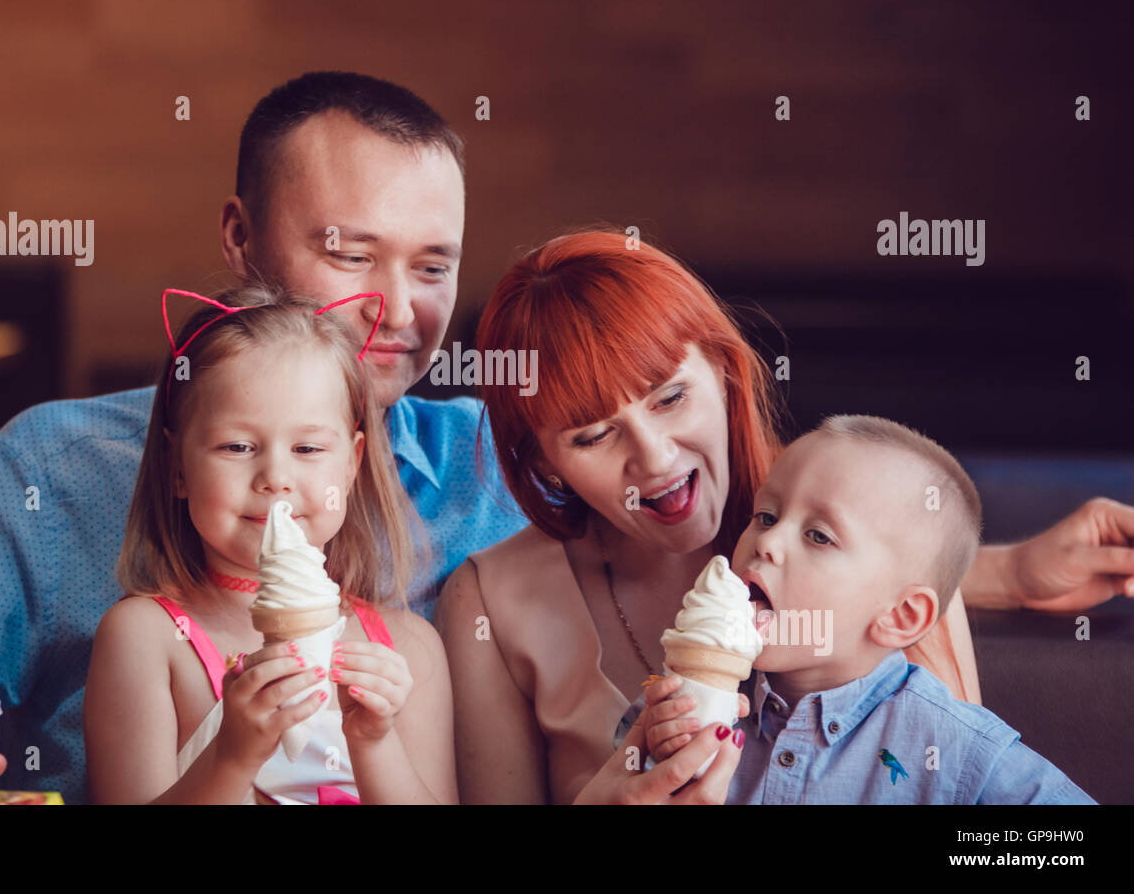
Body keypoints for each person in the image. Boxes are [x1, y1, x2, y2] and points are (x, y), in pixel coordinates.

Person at [0, 76, 1132, 804]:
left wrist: (996, 573)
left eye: (430, 266)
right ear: (239, 239)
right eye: (346, 253)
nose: (390, 310)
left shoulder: (488, 466)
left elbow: (718, 547)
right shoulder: (46, 464)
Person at [435, 229, 1130, 804]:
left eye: (672, 398)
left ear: (723, 368)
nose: (652, 459)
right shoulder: (492, 603)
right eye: (592, 436)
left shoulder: (882, 517)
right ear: (543, 462)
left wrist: (1006, 574)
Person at [85, 285, 453, 804]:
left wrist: (375, 742)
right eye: (237, 446)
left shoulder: (409, 649)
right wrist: (234, 754)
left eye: (307, 447)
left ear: (351, 463)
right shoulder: (146, 639)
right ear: (177, 467)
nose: (276, 477)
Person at [643, 414, 1094, 803]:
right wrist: (652, 753)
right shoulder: (691, 702)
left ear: (900, 617)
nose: (768, 542)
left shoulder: (951, 746)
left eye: (819, 536)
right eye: (767, 516)